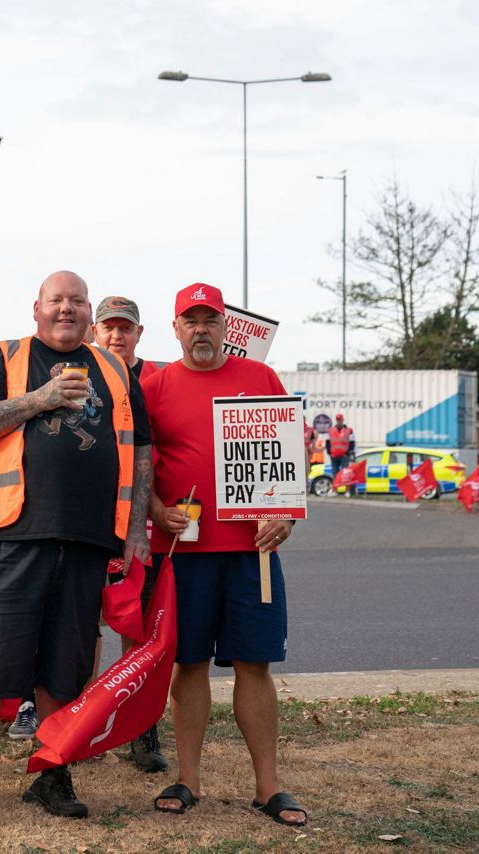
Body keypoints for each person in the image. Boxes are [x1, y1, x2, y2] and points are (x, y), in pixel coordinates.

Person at [0, 272, 153, 826]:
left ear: (89, 312)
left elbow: (141, 452)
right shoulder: (3, 357)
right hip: (15, 532)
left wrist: (135, 530)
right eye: (57, 300)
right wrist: (38, 399)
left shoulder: (115, 370)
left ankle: (51, 770)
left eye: (77, 301)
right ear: (36, 308)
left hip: (89, 540)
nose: (67, 309)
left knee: (66, 666)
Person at [144, 283, 307, 827]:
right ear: (175, 329)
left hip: (249, 551)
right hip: (185, 551)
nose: (201, 329)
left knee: (253, 663)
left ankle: (268, 785)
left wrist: (284, 512)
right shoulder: (156, 385)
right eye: (190, 321)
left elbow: (291, 454)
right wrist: (157, 505)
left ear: (225, 326)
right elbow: (139, 461)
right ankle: (188, 778)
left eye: (210, 319)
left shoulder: (259, 379)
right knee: (188, 663)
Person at [93, 295, 168, 773]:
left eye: (126, 328)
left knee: (138, 628)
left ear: (140, 333)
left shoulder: (158, 380)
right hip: (90, 521)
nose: (116, 335)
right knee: (79, 629)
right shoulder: (79, 372)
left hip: (143, 526)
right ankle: (78, 719)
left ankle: (140, 728)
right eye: (108, 328)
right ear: (94, 333)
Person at [327, 413, 356, 485]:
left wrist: (348, 452)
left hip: (344, 455)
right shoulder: (330, 430)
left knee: (345, 473)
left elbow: (352, 442)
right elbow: (327, 442)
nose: (339, 421)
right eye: (337, 420)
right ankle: (336, 490)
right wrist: (329, 452)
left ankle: (346, 491)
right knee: (335, 473)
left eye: (340, 420)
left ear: (342, 420)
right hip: (334, 455)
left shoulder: (349, 430)